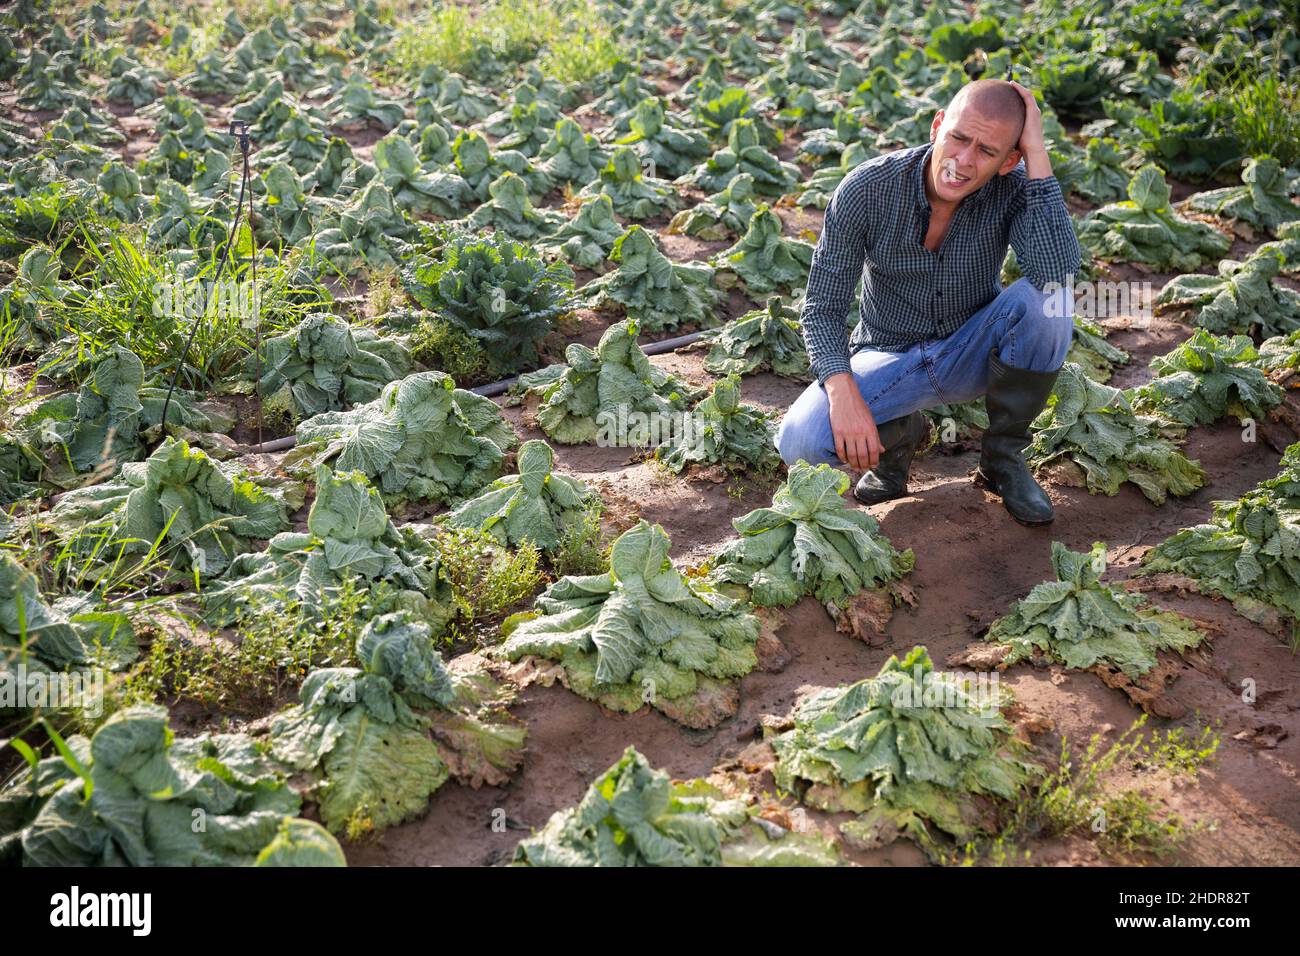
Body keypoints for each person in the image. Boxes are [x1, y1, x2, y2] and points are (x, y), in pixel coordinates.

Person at [775, 79, 1080, 525]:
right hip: (886, 354)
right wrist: (843, 396)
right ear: (938, 125)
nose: (963, 161)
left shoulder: (1013, 187)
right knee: (802, 442)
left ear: (1008, 160)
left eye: (987, 151)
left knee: (1049, 302)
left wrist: (1037, 153)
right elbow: (822, 306)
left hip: (969, 349)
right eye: (958, 138)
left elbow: (1057, 274)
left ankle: (1003, 460)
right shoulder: (868, 189)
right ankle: (898, 435)